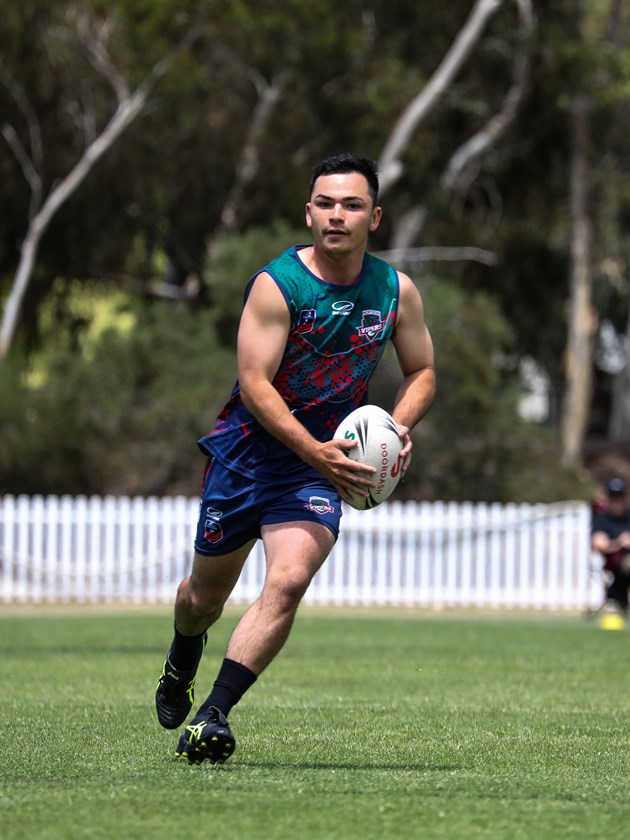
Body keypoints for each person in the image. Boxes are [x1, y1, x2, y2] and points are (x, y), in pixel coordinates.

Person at [155, 152, 436, 764]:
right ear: (309, 213)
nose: (338, 216)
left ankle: (214, 715)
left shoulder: (394, 291)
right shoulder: (278, 285)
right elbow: (255, 384)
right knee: (203, 600)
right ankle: (182, 655)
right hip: (249, 456)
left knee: (287, 581)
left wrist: (396, 425)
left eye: (353, 205)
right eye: (327, 204)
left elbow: (422, 371)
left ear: (375, 217)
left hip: (316, 469)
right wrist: (317, 450)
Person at [591, 478, 630, 613]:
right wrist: (619, 542)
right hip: (615, 564)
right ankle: (616, 601)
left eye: (619, 497)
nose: (616, 501)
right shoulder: (602, 519)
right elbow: (598, 543)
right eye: (613, 497)